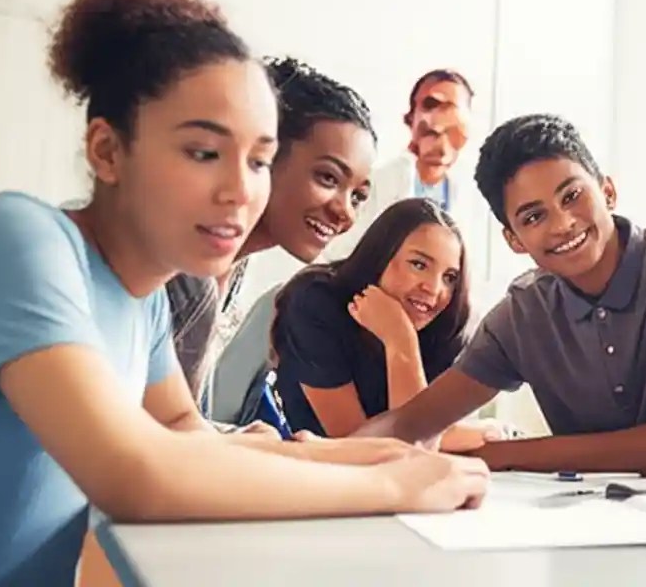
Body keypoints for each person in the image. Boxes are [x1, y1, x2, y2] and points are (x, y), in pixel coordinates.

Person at [0, 0, 486, 585]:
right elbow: (135, 475)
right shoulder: (19, 241)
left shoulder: (138, 299)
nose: (240, 190)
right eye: (204, 152)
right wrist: (385, 484)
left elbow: (182, 432)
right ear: (108, 151)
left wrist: (361, 455)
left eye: (257, 161)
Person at [353, 114, 646, 478]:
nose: (563, 224)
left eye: (572, 196)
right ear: (514, 240)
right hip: (593, 522)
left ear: (607, 191)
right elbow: (413, 422)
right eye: (534, 216)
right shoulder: (523, 313)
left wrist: (498, 456)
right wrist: (317, 453)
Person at [168, 55, 378, 410]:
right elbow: (153, 441)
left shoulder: (233, 272)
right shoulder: (175, 265)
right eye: (328, 178)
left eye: (358, 196)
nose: (344, 211)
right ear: (264, 153)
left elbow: (177, 427)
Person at [274, 198, 496, 450]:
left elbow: (421, 442)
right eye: (419, 265)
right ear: (380, 256)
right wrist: (400, 338)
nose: (434, 289)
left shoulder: (446, 328)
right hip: (302, 473)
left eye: (450, 277)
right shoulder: (317, 302)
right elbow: (370, 448)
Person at [323, 69, 478, 263]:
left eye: (452, 129)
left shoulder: (466, 192)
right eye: (433, 130)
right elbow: (339, 254)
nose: (441, 144)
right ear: (411, 119)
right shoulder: (378, 184)